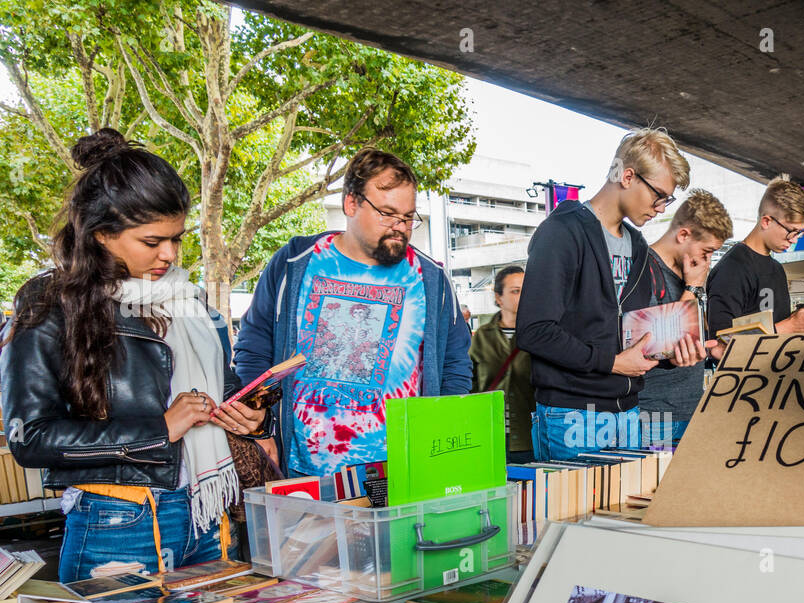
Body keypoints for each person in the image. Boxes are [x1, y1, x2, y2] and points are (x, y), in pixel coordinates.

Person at [1, 128, 265, 583]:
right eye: (152, 241)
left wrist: (253, 415)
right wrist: (159, 430)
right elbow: (31, 438)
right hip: (120, 519)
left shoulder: (189, 300)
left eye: (177, 239)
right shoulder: (50, 302)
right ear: (102, 234)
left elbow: (223, 392)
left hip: (209, 509)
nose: (169, 254)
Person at [233, 148, 472, 477]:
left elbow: (455, 365)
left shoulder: (431, 278)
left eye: (407, 217)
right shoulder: (294, 262)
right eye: (387, 214)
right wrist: (258, 425)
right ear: (350, 204)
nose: (399, 227)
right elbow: (254, 344)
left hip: (403, 473)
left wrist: (440, 441)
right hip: (303, 472)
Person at [516, 128, 706, 461]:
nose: (661, 209)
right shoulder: (562, 231)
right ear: (628, 176)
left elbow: (629, 337)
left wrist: (669, 357)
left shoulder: (638, 245)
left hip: (629, 414)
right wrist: (612, 363)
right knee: (569, 515)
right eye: (658, 195)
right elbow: (534, 331)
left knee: (626, 513)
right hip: (571, 415)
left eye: (668, 200)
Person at [638, 189, 733, 445]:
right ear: (683, 235)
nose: (708, 260)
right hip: (655, 414)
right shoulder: (644, 269)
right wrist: (692, 288)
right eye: (706, 251)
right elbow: (663, 343)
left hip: (690, 409)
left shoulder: (691, 274)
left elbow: (699, 338)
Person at [706, 177, 804, 338]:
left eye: (799, 233)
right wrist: (790, 326)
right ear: (766, 221)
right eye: (791, 231)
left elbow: (775, 322)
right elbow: (719, 342)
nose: (793, 240)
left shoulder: (776, 268)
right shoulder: (732, 268)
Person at [469, 265, 533, 462]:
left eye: (527, 289)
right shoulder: (481, 337)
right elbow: (471, 386)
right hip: (489, 436)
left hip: (529, 436)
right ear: (498, 297)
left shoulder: (541, 335)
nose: (523, 296)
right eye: (515, 291)